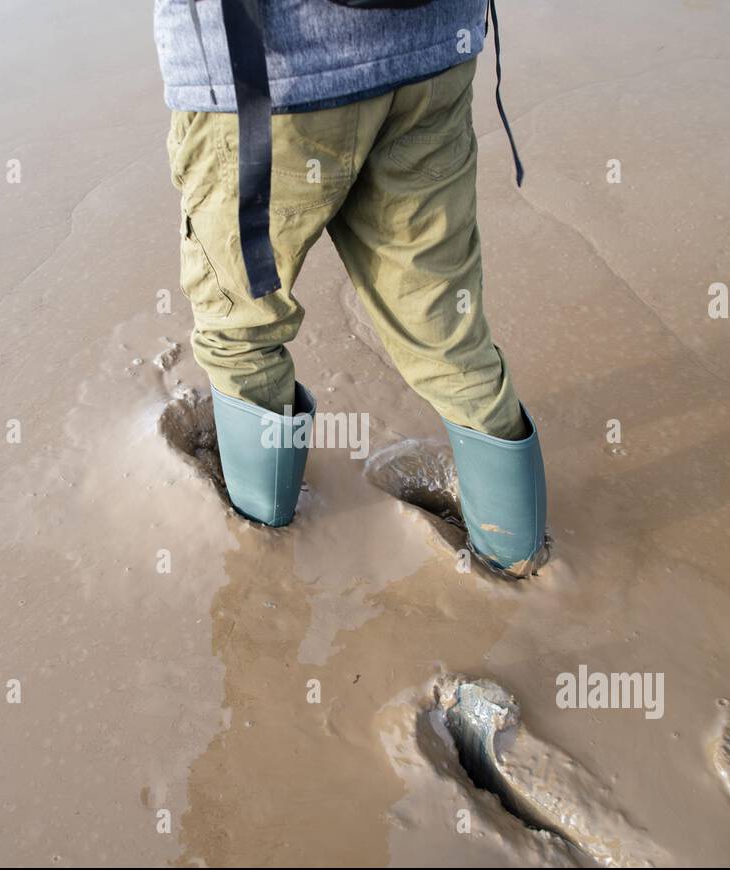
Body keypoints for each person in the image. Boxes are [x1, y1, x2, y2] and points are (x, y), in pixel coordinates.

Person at [154, 0, 546, 577]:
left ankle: (264, 554)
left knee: (242, 332)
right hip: (431, 54)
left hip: (261, 76)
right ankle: (519, 562)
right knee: (447, 334)